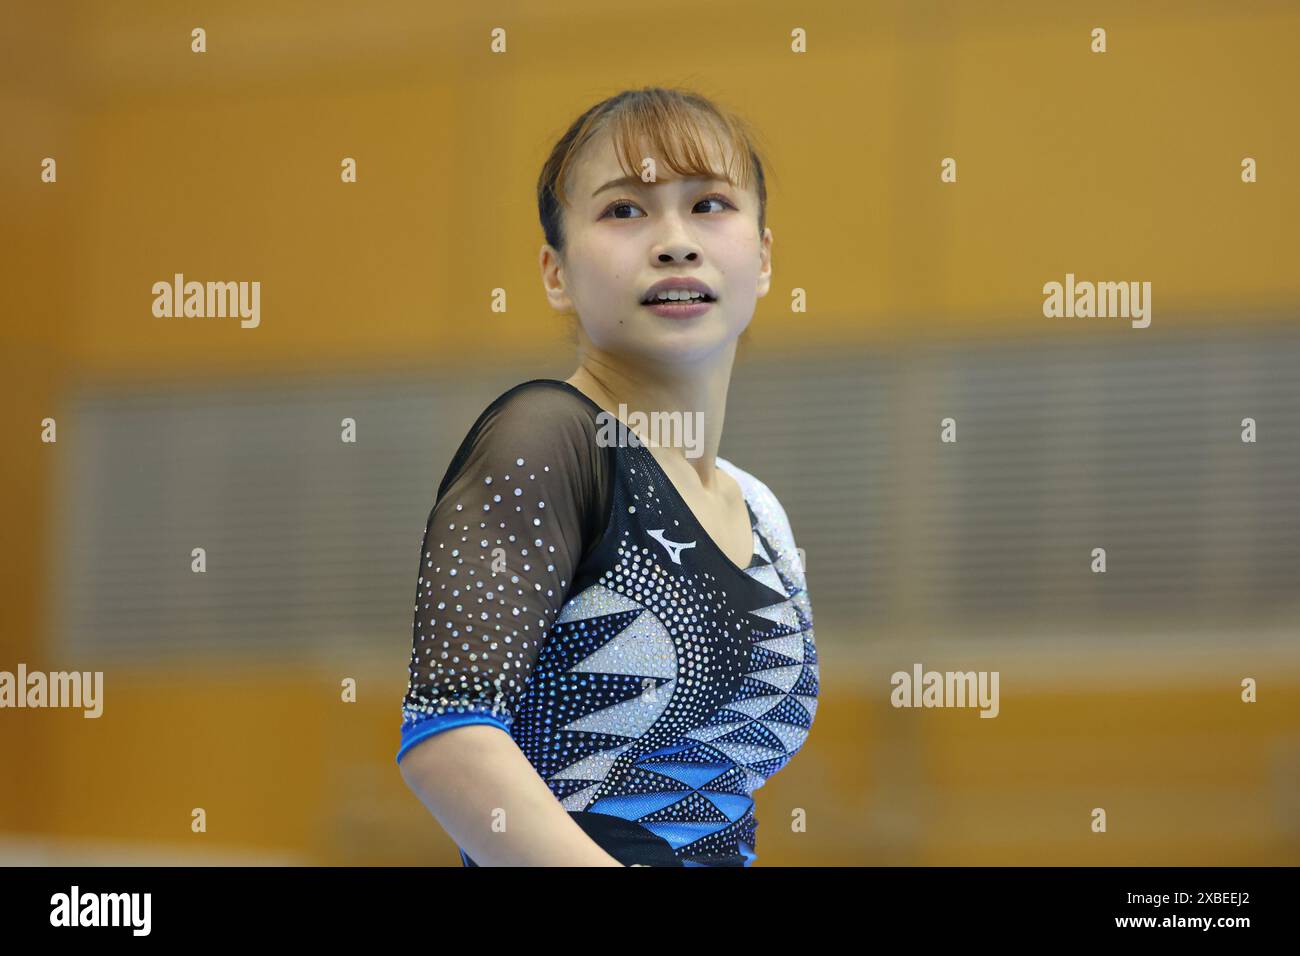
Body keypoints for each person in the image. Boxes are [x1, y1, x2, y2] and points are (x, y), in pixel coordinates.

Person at [396, 87, 818, 866]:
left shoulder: (761, 512)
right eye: (624, 211)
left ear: (762, 259)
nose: (674, 243)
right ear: (555, 273)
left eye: (710, 204)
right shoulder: (549, 440)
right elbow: (447, 739)